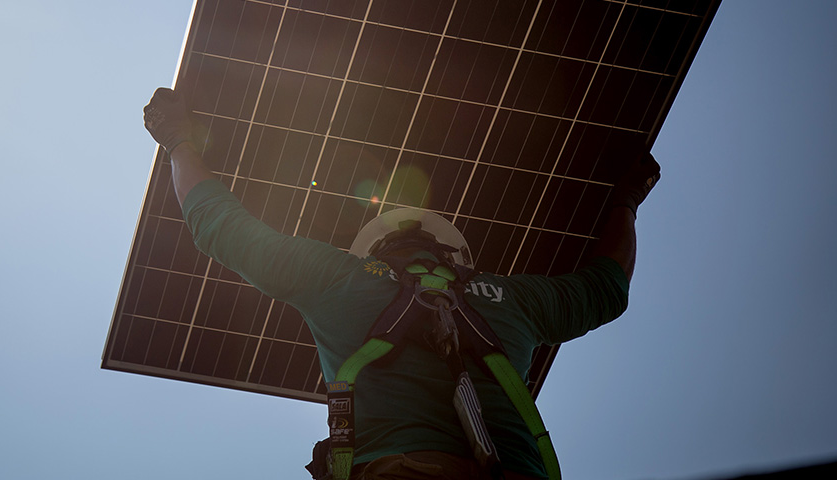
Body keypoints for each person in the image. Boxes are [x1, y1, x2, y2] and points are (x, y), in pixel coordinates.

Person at [143, 88, 661, 480]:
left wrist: (180, 142)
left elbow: (219, 227)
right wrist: (628, 200)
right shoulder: (513, 299)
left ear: (370, 249)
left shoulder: (340, 280)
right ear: (458, 254)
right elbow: (607, 288)